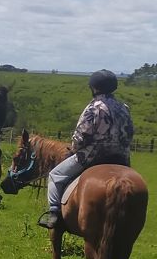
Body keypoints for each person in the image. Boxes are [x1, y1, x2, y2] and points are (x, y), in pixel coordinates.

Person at [39, 70, 134, 229]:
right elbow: (130, 132)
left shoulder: (93, 107)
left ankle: (54, 213)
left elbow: (81, 135)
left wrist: (74, 149)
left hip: (93, 156)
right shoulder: (124, 108)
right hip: (121, 158)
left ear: (94, 87)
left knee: (55, 175)